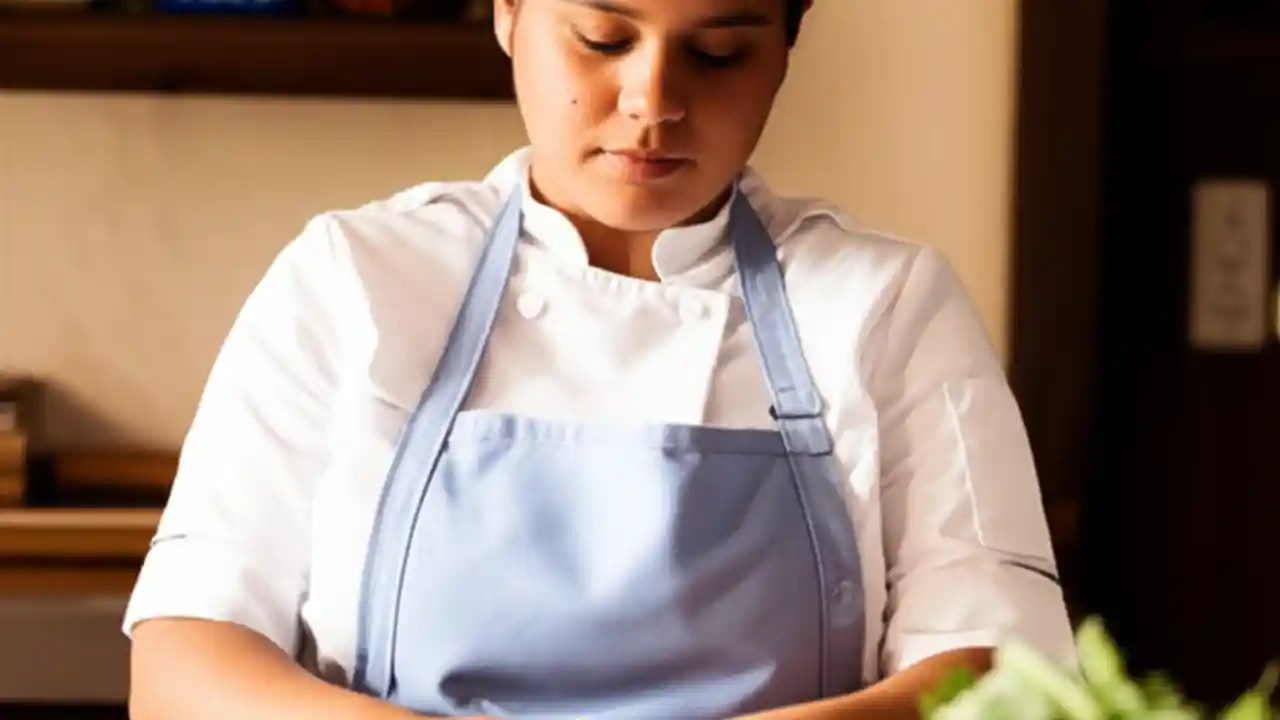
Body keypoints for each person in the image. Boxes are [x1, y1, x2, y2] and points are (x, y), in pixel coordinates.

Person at [123, 0, 1074, 718]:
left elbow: (1000, 674)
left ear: (786, 50)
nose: (652, 101)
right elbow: (183, 661)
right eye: (602, 38)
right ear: (508, 15)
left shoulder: (885, 304)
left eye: (718, 53)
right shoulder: (356, 277)